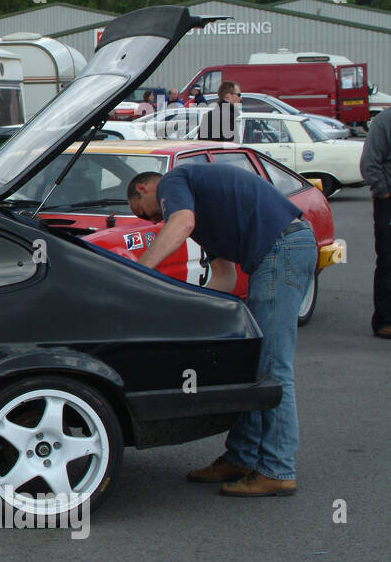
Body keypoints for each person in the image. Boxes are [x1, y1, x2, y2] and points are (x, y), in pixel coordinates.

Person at [127, 164, 317, 496]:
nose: (152, 221)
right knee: (254, 364)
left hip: (283, 248)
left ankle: (277, 469)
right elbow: (224, 278)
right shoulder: (203, 210)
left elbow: (180, 224)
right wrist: (199, 312)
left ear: (143, 187)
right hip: (282, 250)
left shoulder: (174, 182)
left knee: (273, 366)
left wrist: (138, 272)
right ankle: (241, 458)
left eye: (144, 213)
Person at [359, 106, 391, 338]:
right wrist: (384, 193)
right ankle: (384, 321)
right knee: (389, 262)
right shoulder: (385, 121)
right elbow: (369, 163)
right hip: (388, 203)